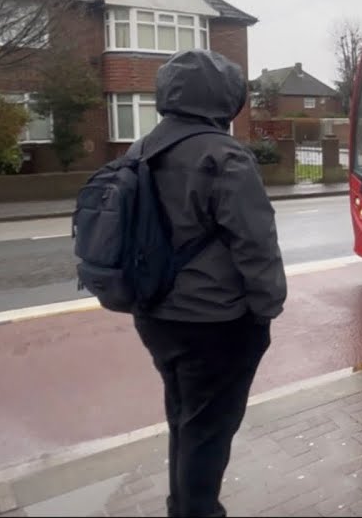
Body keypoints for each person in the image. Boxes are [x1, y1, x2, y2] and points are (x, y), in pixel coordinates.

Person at [132, 49, 287, 517]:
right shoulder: (223, 154)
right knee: (209, 429)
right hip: (216, 322)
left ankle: (181, 506)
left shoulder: (142, 149)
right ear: (224, 98)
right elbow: (255, 242)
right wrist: (265, 310)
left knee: (184, 418)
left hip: (154, 314)